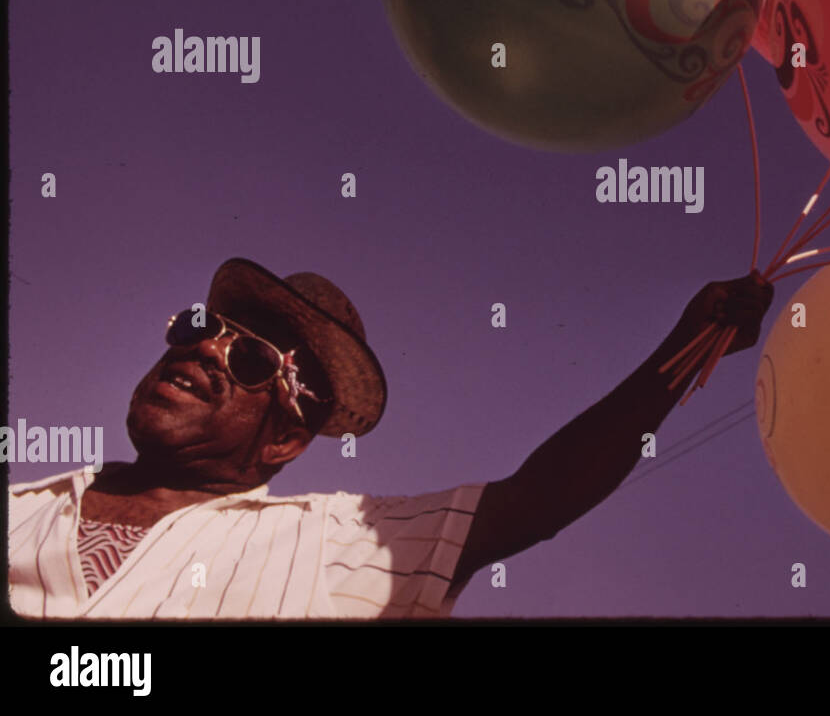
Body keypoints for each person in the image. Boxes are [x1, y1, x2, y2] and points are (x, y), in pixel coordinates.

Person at [8, 257, 773, 618]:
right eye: (202, 327)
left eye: (246, 359)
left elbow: (536, 501)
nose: (204, 350)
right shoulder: (20, 510)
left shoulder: (329, 548)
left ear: (284, 442)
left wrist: (682, 351)